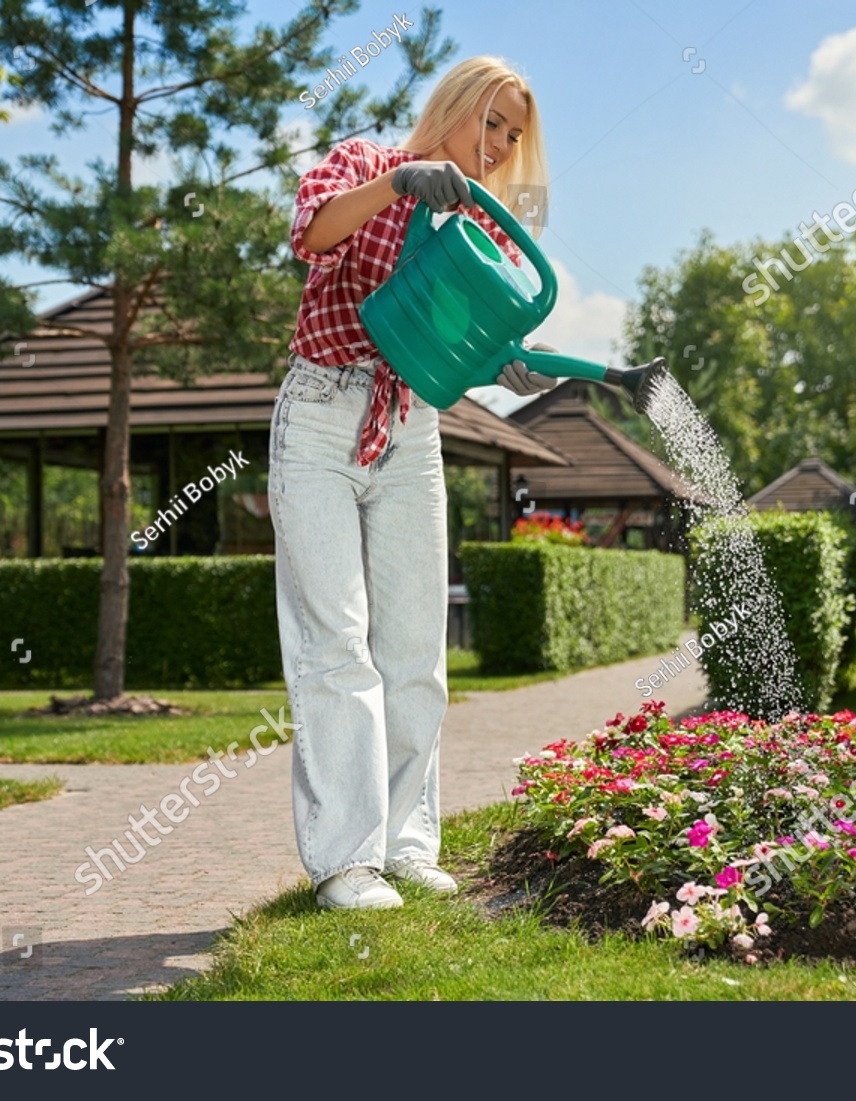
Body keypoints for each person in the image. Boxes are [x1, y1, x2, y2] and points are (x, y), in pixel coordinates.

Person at [271, 56, 556, 910]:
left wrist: (506, 365)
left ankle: (405, 845)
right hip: (322, 413)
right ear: (458, 106)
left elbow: (450, 348)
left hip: (409, 430)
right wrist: (401, 181)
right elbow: (312, 231)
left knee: (413, 653)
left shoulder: (486, 229)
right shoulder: (364, 162)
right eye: (493, 123)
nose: (501, 146)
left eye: (514, 135)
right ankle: (345, 862)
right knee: (337, 646)